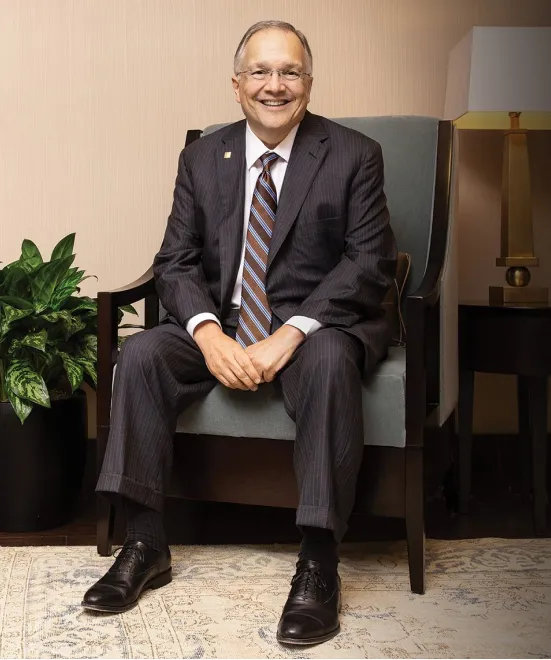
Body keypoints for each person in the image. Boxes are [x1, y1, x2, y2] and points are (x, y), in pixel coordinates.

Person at [82, 20, 397, 646]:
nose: (274, 85)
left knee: (332, 358)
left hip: (315, 328)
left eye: (289, 72)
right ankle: (145, 544)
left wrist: (290, 334)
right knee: (142, 353)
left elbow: (369, 262)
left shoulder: (354, 154)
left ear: (309, 83)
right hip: (222, 326)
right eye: (260, 72)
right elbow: (175, 260)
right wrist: (207, 334)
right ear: (236, 84)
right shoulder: (202, 157)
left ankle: (318, 561)